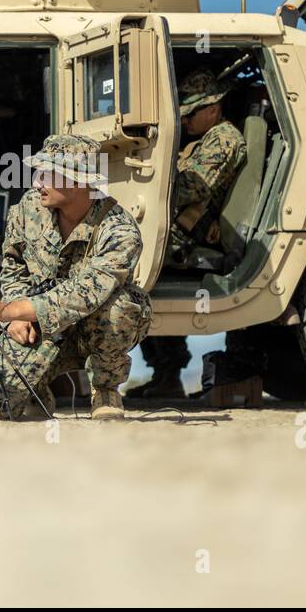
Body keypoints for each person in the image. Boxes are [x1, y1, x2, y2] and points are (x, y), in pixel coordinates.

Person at [0, 134, 152, 421]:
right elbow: (14, 268)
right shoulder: (27, 210)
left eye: (46, 174)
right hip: (41, 328)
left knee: (122, 306)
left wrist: (8, 310)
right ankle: (36, 388)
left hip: (93, 328)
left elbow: (84, 294)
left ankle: (105, 389)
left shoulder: (120, 230)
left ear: (77, 180)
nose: (37, 182)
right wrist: (16, 315)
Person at [130, 69, 247, 399]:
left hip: (185, 237)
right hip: (179, 229)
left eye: (189, 114)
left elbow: (192, 188)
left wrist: (145, 180)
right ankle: (165, 374)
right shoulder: (203, 139)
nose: (184, 122)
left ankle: (150, 372)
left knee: (117, 258)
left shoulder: (223, 139)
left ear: (213, 109)